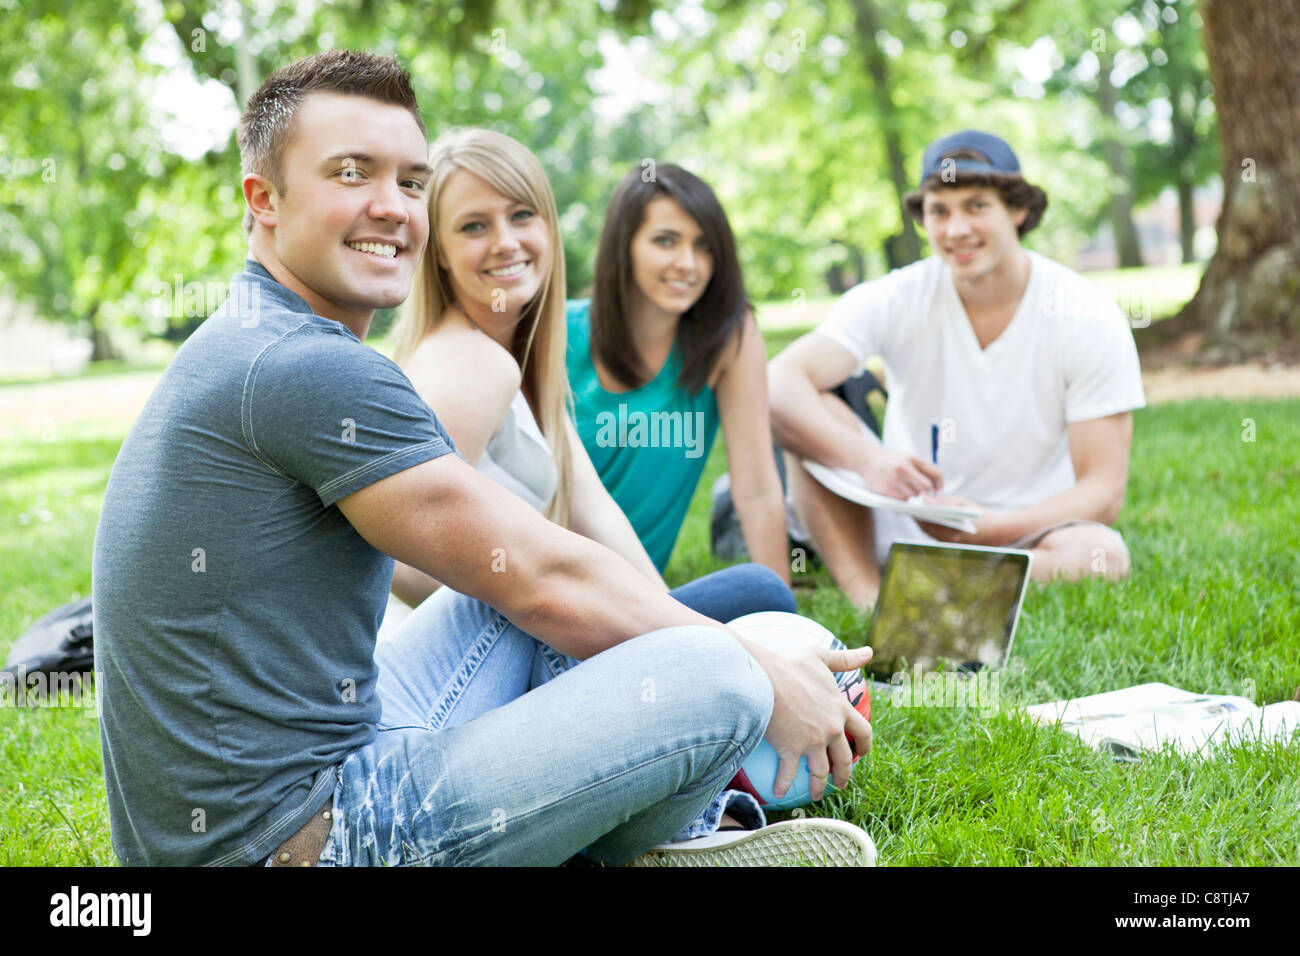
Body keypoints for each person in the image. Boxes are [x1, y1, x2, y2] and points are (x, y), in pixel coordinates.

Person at [91, 50, 875, 867]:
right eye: (351, 174)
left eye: (409, 181)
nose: (390, 207)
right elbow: (542, 579)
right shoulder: (304, 366)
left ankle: (645, 811)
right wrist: (761, 672)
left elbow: (544, 565)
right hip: (305, 838)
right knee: (719, 680)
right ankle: (678, 832)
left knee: (552, 612)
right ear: (265, 200)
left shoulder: (268, 336)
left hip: (337, 745)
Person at [386, 129, 791, 625]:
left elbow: (596, 514)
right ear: (439, 250)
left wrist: (683, 630)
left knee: (756, 597)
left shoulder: (525, 355)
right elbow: (398, 561)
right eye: (473, 227)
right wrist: (533, 594)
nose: (506, 242)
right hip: (506, 646)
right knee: (758, 596)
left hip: (566, 613)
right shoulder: (472, 365)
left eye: (521, 216)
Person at [768, 130, 1145, 609]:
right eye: (939, 211)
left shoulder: (1086, 314)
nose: (955, 229)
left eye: (975, 206)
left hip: (1025, 529)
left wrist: (983, 529)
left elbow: (1102, 491)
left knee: (1101, 554)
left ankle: (932, 582)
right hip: (905, 517)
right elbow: (778, 384)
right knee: (809, 416)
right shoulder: (898, 295)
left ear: (1018, 210)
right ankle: (871, 597)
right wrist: (872, 463)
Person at [567, 164, 790, 583]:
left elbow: (758, 486)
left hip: (636, 591)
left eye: (704, 246)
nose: (688, 263)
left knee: (757, 591)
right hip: (538, 581)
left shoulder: (728, 338)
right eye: (666, 241)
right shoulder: (555, 335)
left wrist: (782, 616)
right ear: (624, 245)